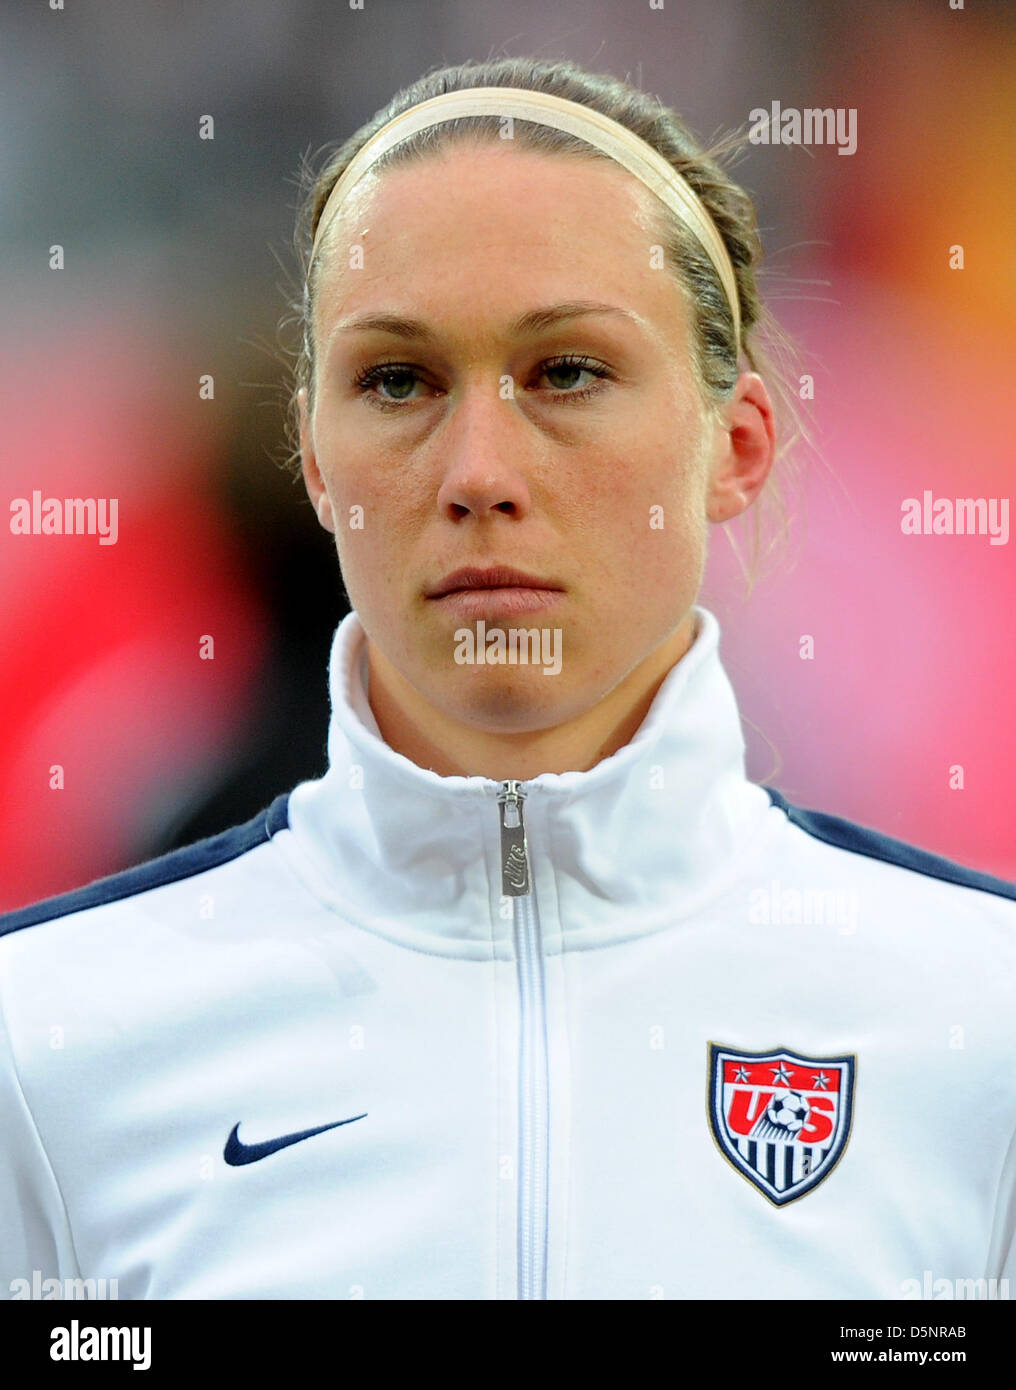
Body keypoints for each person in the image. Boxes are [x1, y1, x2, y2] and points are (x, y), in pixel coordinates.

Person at [1, 57, 1013, 1303]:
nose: (478, 469)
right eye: (397, 380)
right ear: (315, 460)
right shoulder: (43, 1036)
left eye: (567, 372)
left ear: (735, 446)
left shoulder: (983, 1014)